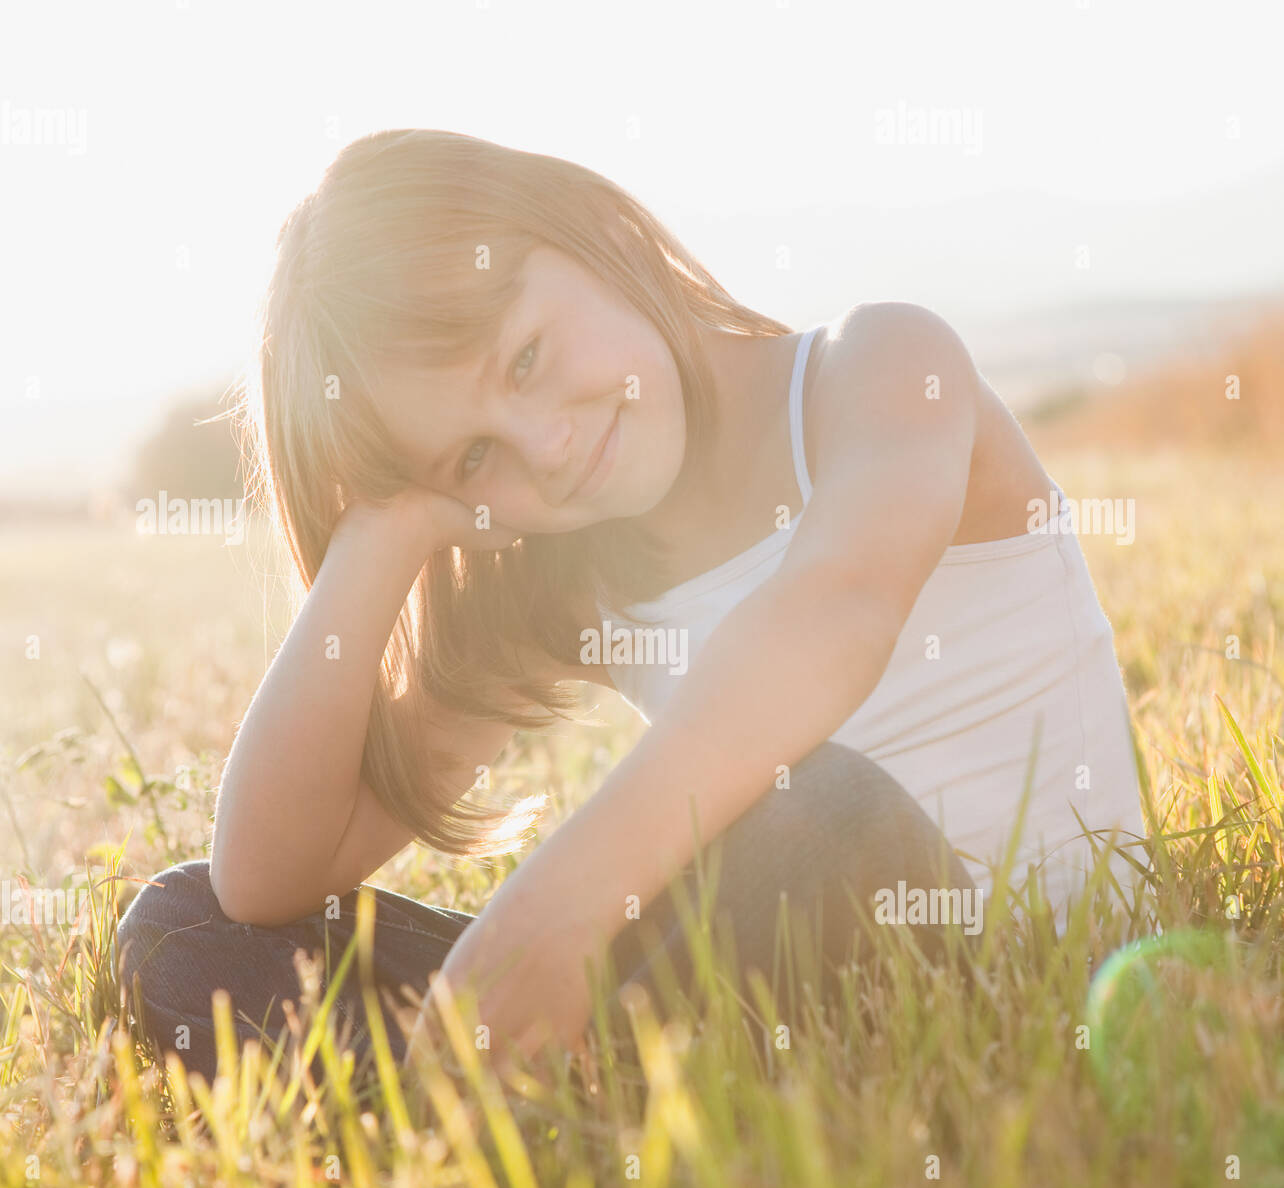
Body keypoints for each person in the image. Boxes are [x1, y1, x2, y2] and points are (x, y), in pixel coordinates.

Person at [116, 128, 1148, 1085]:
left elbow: (830, 620)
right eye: (476, 454)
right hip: (746, 979)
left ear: (588, 230)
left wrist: (563, 906)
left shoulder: (880, 369)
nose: (548, 446)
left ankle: (500, 1097)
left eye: (525, 357)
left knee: (815, 804)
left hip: (988, 952)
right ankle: (529, 1094)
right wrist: (380, 537)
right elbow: (266, 875)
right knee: (183, 928)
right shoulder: (569, 569)